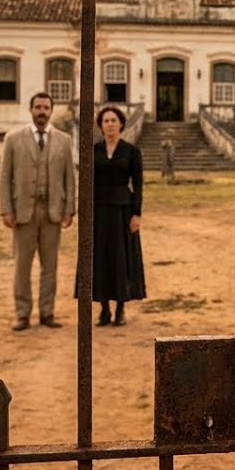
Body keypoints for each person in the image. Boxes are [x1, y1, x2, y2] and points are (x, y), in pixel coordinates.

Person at [0, 92, 76, 331]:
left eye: (46, 107)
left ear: (51, 111)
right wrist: (5, 210)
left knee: (50, 267)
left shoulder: (63, 140)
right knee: (22, 266)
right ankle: (22, 314)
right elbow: (4, 177)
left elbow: (69, 179)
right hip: (23, 212)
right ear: (30, 110)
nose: (42, 111)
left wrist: (69, 209)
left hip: (52, 211)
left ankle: (47, 312)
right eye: (38, 107)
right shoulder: (13, 138)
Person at [87, 106, 146, 326]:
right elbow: (86, 182)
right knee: (101, 258)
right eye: (106, 121)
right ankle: (103, 309)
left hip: (123, 210)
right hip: (99, 211)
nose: (110, 124)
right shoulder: (93, 150)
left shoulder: (131, 151)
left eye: (114, 120)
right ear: (100, 125)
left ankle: (120, 308)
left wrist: (136, 214)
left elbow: (138, 185)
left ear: (121, 124)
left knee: (121, 259)